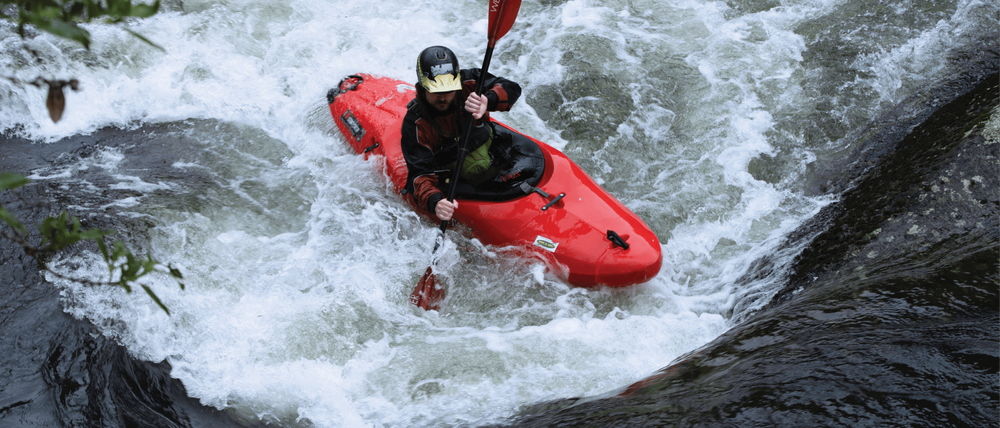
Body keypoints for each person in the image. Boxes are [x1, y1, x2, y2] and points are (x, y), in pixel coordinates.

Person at [401, 45, 522, 222]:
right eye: (436, 91)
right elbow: (419, 175)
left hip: (487, 148)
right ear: (422, 87)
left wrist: (488, 100)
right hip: (452, 169)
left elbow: (511, 88)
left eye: (448, 90)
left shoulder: (471, 82)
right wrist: (435, 201)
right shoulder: (415, 124)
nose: (443, 97)